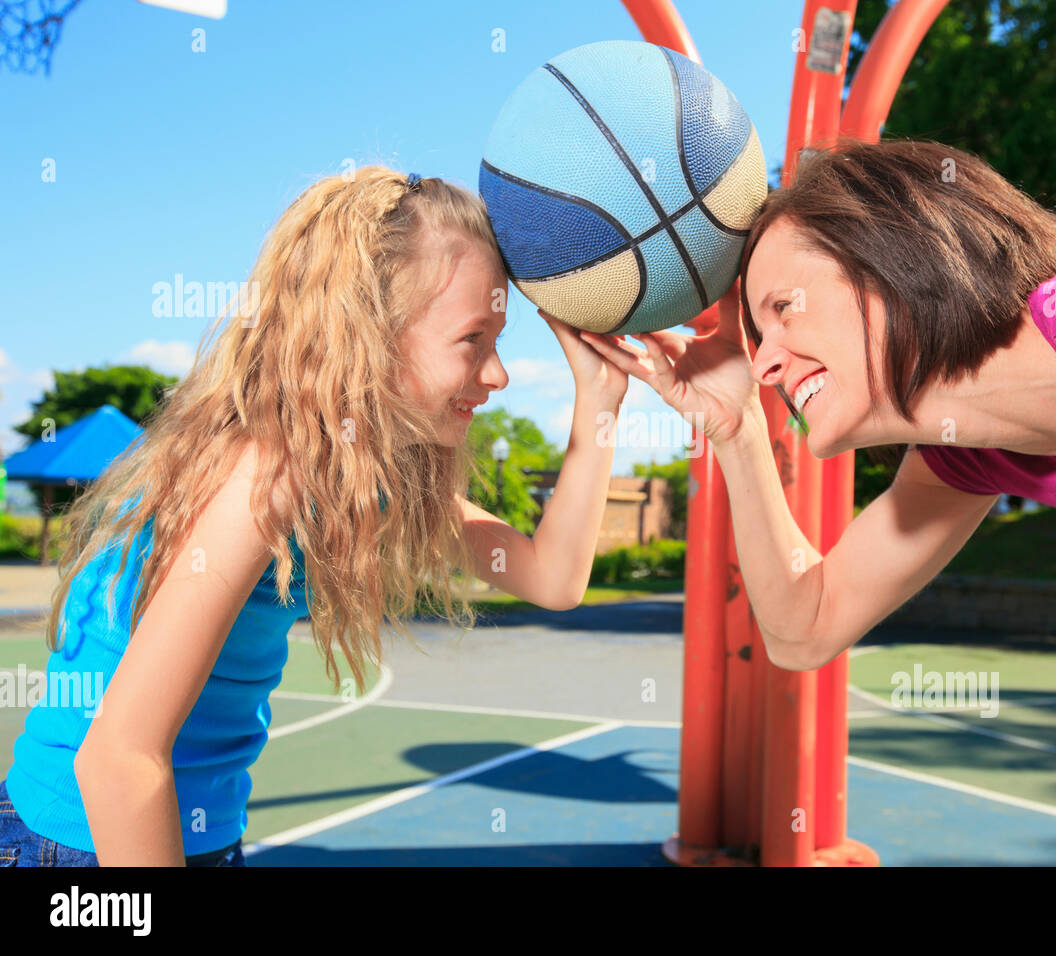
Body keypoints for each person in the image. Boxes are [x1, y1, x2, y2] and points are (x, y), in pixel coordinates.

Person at [0, 168, 626, 866]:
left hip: (179, 828)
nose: (499, 373)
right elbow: (117, 757)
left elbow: (553, 577)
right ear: (370, 338)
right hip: (83, 839)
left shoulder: (371, 474)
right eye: (473, 338)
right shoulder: (267, 477)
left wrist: (598, 399)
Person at [580, 138, 1056, 672]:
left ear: (897, 259)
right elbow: (804, 628)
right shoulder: (973, 448)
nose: (764, 363)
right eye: (758, 335)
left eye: (784, 308)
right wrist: (735, 432)